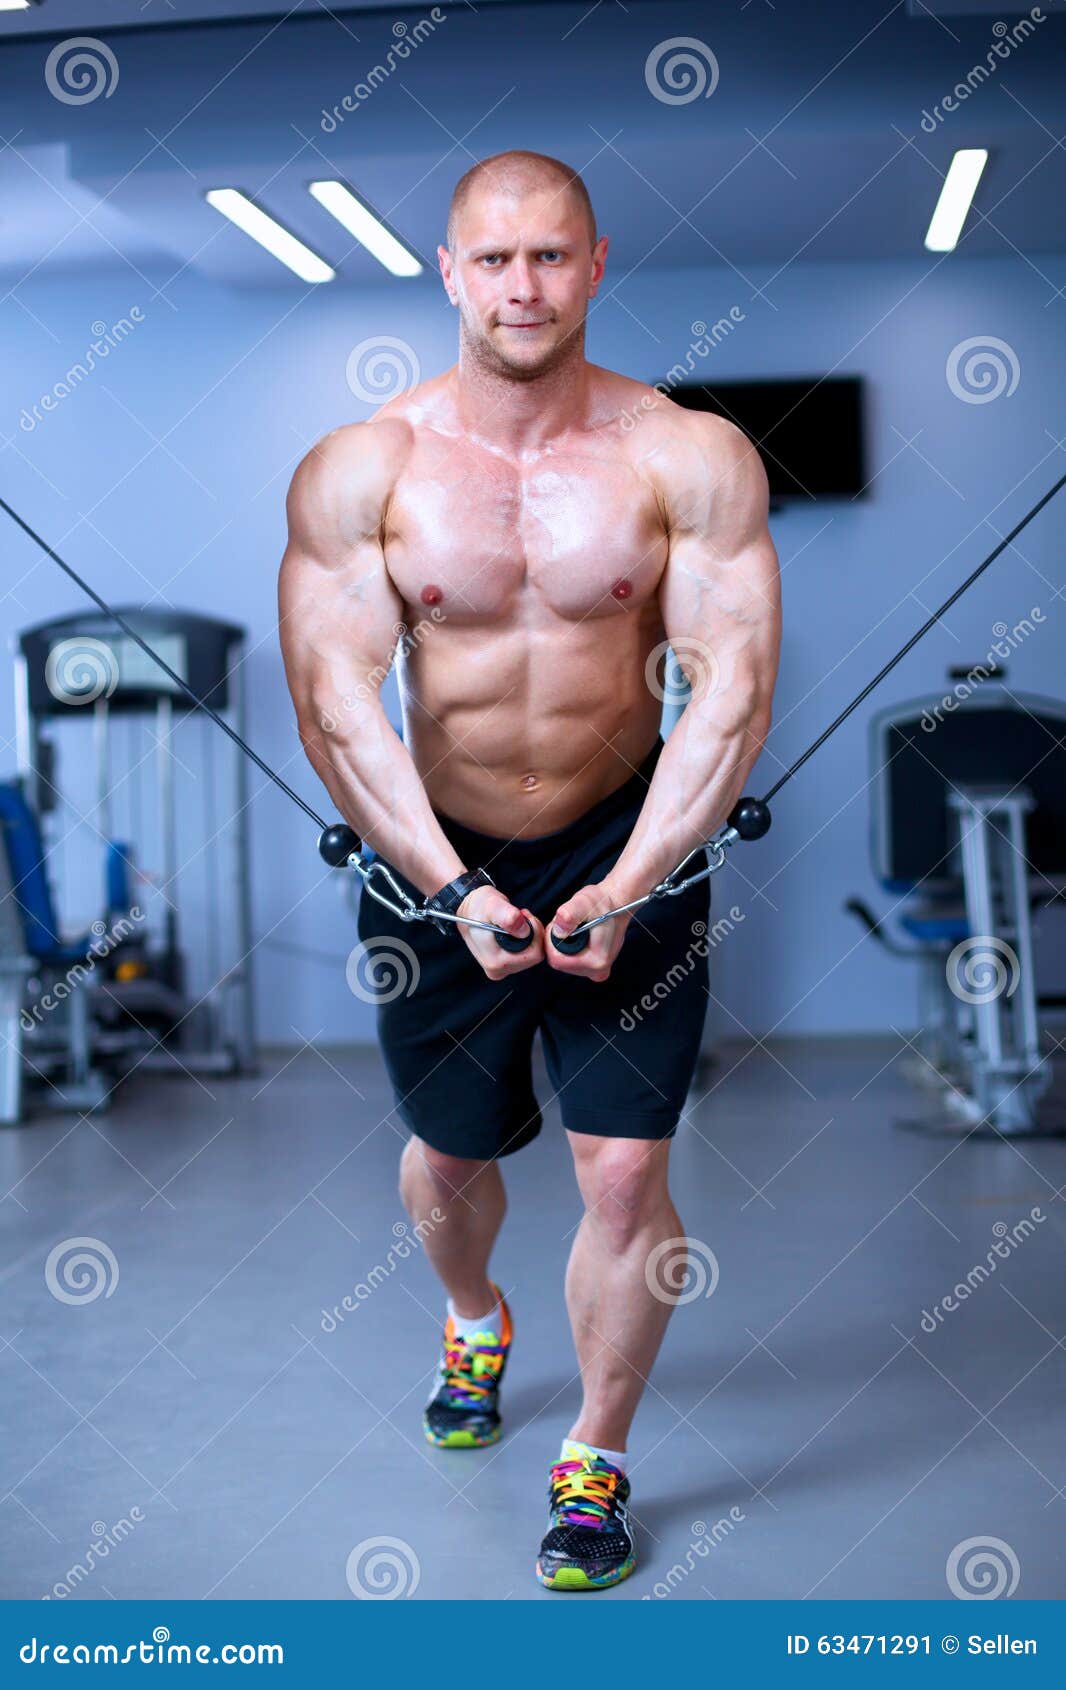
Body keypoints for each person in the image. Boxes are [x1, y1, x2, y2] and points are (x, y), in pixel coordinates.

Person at [279, 149, 780, 1592]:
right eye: (492, 259)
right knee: (450, 1157)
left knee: (622, 1173)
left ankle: (596, 1459)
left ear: (597, 263)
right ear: (447, 273)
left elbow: (727, 694)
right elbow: (336, 703)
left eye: (549, 256)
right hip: (435, 857)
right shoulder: (365, 468)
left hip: (629, 842)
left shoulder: (683, 455)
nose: (521, 285)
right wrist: (447, 890)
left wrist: (636, 876)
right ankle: (473, 1312)